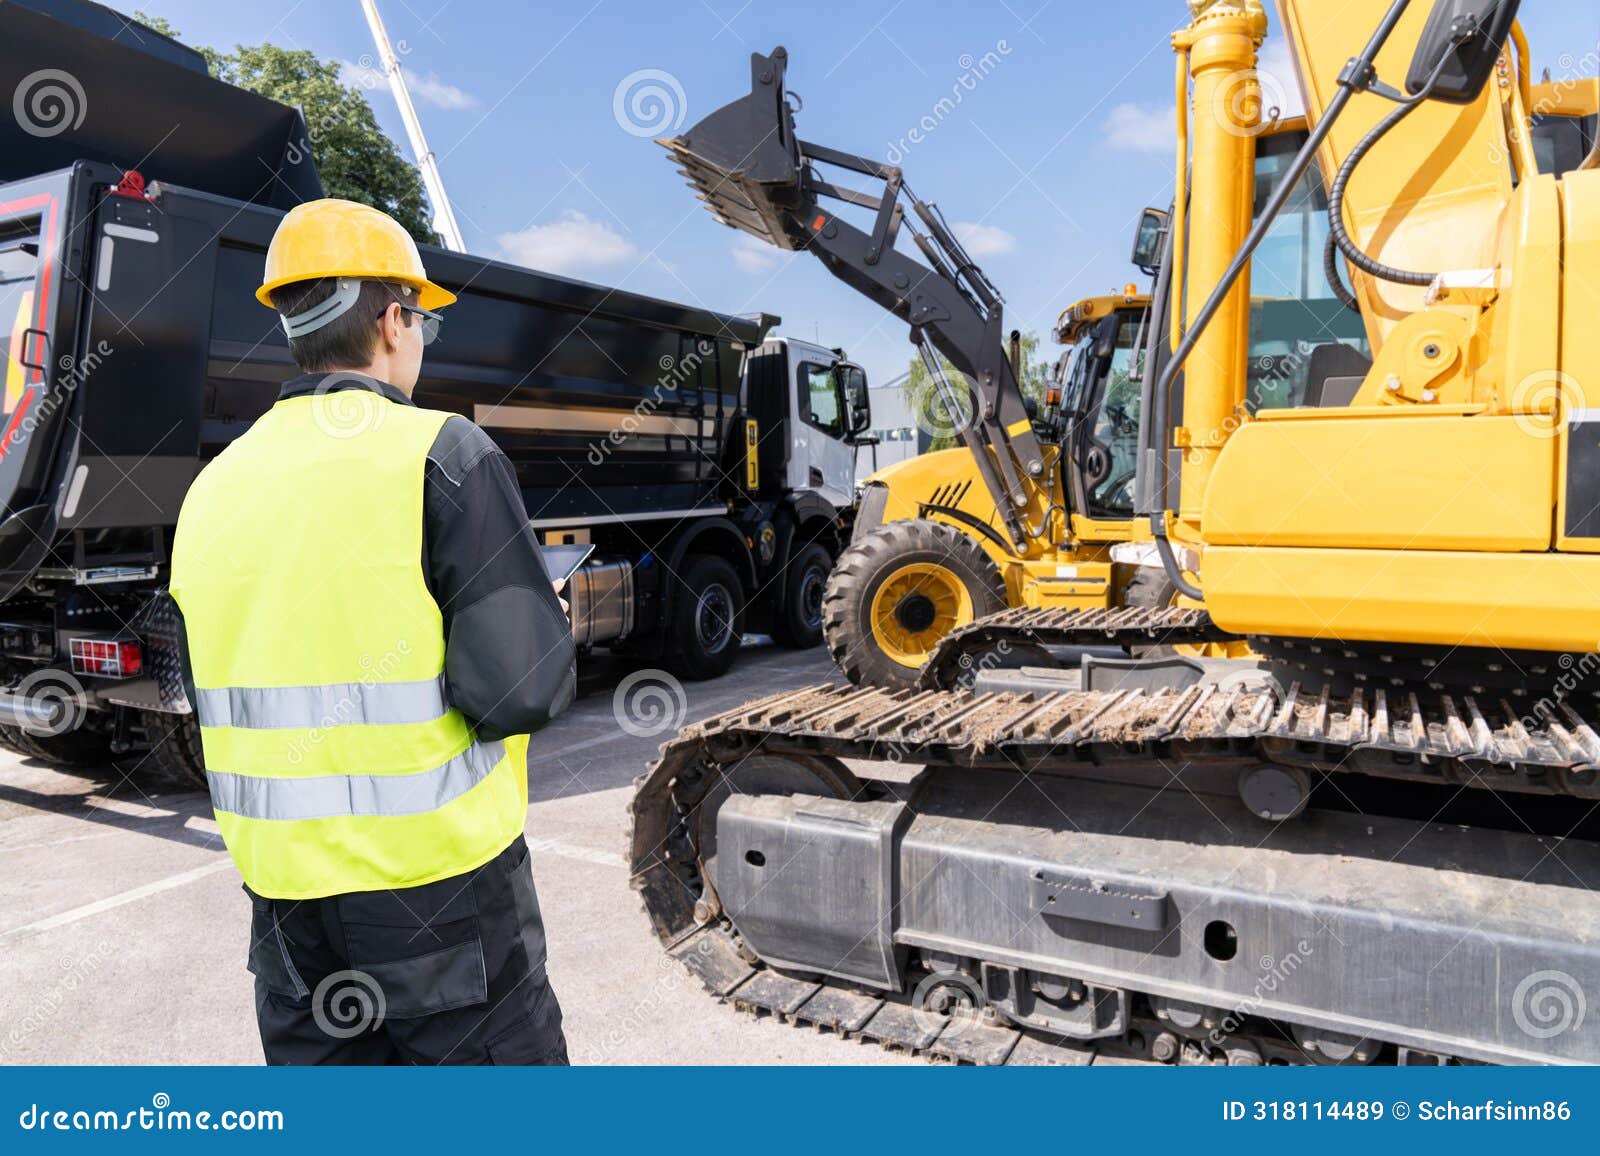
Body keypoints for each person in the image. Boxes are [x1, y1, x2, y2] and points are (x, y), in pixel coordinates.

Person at [169, 198, 576, 1064]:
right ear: (393, 321)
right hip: (442, 898)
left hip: (285, 910)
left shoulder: (215, 483)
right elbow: (518, 689)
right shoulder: (443, 452)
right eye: (420, 318)